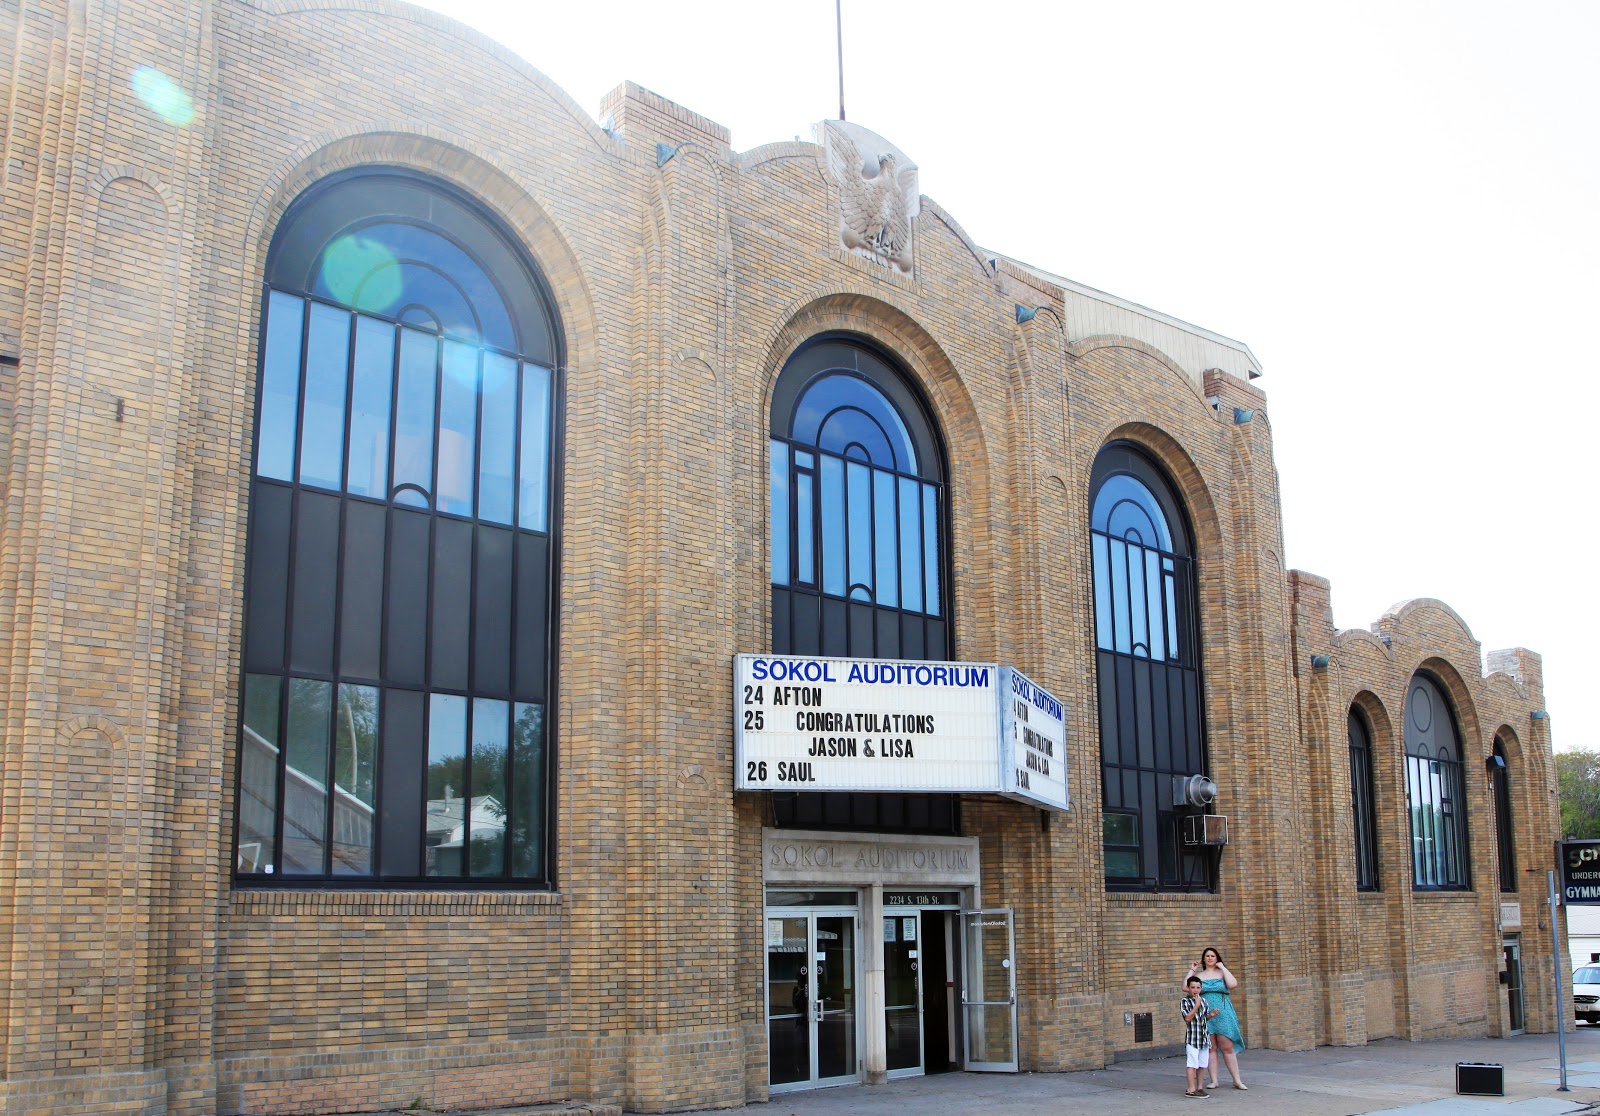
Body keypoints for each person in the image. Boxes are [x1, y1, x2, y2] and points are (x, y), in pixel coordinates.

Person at [1187, 947, 1247, 1090]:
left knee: (1227, 1046)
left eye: (1212, 956)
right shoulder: (1200, 976)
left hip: (1223, 1012)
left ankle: (1237, 1080)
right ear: (1204, 959)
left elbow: (1233, 984)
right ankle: (1214, 1080)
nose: (1210, 958)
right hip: (1206, 1013)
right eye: (1207, 956)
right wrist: (1192, 970)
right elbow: (1186, 986)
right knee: (1211, 1047)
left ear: (1217, 958)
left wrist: (1223, 967)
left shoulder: (1221, 973)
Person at [1180, 974, 1217, 1098]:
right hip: (1192, 1038)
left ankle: (1199, 1087)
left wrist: (1211, 1015)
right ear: (1188, 988)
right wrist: (1196, 1005)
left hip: (1203, 1038)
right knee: (1192, 1063)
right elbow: (1188, 1018)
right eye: (1193, 987)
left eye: (1198, 987)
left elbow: (1203, 1019)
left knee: (1202, 1064)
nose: (1195, 990)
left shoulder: (1204, 1001)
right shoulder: (1185, 1002)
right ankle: (1191, 1089)